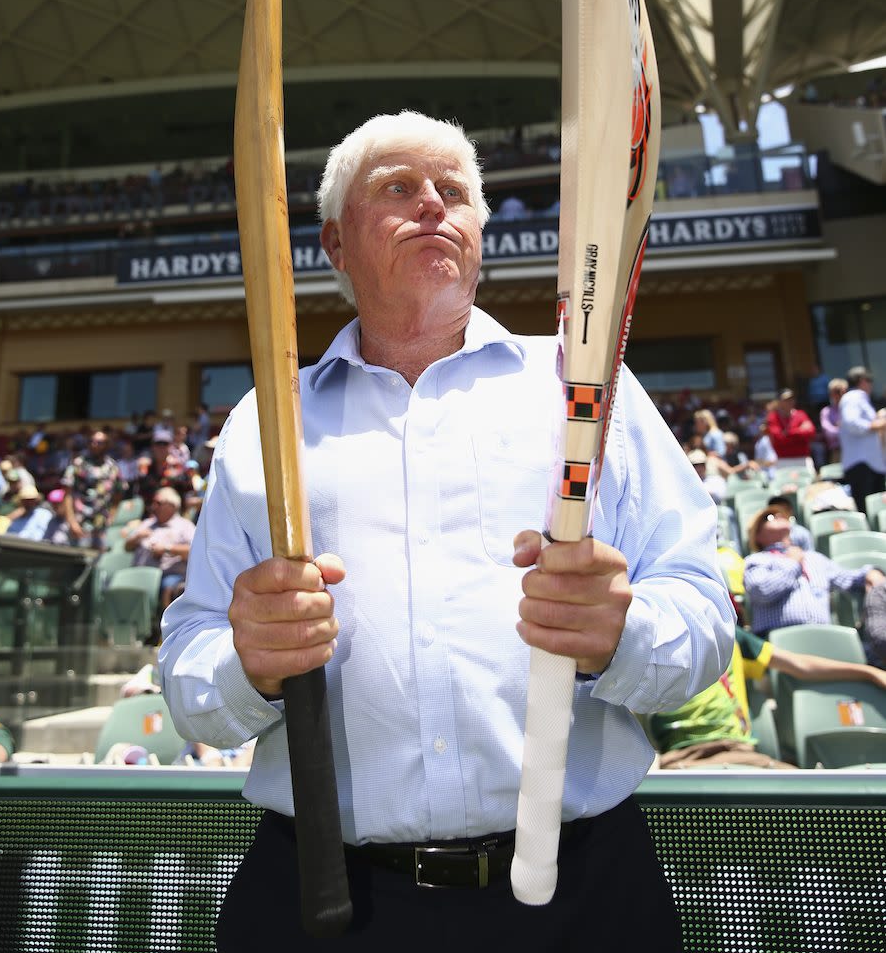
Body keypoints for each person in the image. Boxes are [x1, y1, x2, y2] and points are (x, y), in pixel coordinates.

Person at [159, 110, 733, 953]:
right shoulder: (266, 423)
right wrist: (247, 662)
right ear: (333, 244)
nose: (434, 204)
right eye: (399, 188)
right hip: (323, 899)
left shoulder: (584, 386)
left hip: (581, 897)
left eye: (455, 192)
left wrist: (623, 632)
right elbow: (188, 674)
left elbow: (705, 616)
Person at [651, 624, 886, 769]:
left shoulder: (730, 635)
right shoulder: (648, 640)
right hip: (681, 758)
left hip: (737, 752)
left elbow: (800, 665)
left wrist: (869, 672)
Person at [742, 507, 885, 638]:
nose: (779, 516)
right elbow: (763, 591)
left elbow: (848, 579)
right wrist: (792, 563)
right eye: (770, 517)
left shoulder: (814, 558)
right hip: (779, 639)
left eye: (782, 516)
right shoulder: (756, 560)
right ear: (757, 535)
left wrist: (871, 573)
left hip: (822, 636)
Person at [123, 487, 196, 612]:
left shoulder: (185, 526)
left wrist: (167, 549)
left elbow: (194, 551)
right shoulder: (147, 523)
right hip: (139, 574)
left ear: (172, 506)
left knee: (168, 587)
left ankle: (165, 628)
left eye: (158, 503)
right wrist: (138, 537)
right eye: (153, 503)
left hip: (169, 575)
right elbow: (127, 547)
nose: (153, 506)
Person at [60, 429, 125, 550]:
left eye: (99, 442)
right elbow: (67, 494)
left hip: (101, 526)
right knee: (77, 562)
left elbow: (119, 492)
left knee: (97, 564)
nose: (94, 445)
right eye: (92, 441)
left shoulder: (113, 467)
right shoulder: (78, 463)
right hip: (80, 523)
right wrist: (71, 521)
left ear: (106, 445)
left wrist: (112, 515)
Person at [838, 366, 886, 512]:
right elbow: (852, 423)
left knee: (877, 511)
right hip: (861, 465)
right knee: (867, 511)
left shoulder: (858, 398)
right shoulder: (853, 397)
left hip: (870, 464)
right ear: (861, 381)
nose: (871, 384)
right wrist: (878, 424)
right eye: (869, 380)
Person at [765, 389, 816, 468]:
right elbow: (778, 438)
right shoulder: (773, 417)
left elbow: (811, 433)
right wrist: (800, 431)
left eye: (791, 399)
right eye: (786, 400)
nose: (790, 402)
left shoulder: (801, 414)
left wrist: (787, 433)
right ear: (779, 402)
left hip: (803, 459)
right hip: (784, 461)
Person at [819, 377, 848, 465]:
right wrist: (846, 428)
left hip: (856, 449)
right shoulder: (826, 412)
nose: (838, 395)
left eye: (840, 391)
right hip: (837, 452)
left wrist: (840, 426)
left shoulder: (852, 410)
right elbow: (829, 434)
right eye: (835, 392)